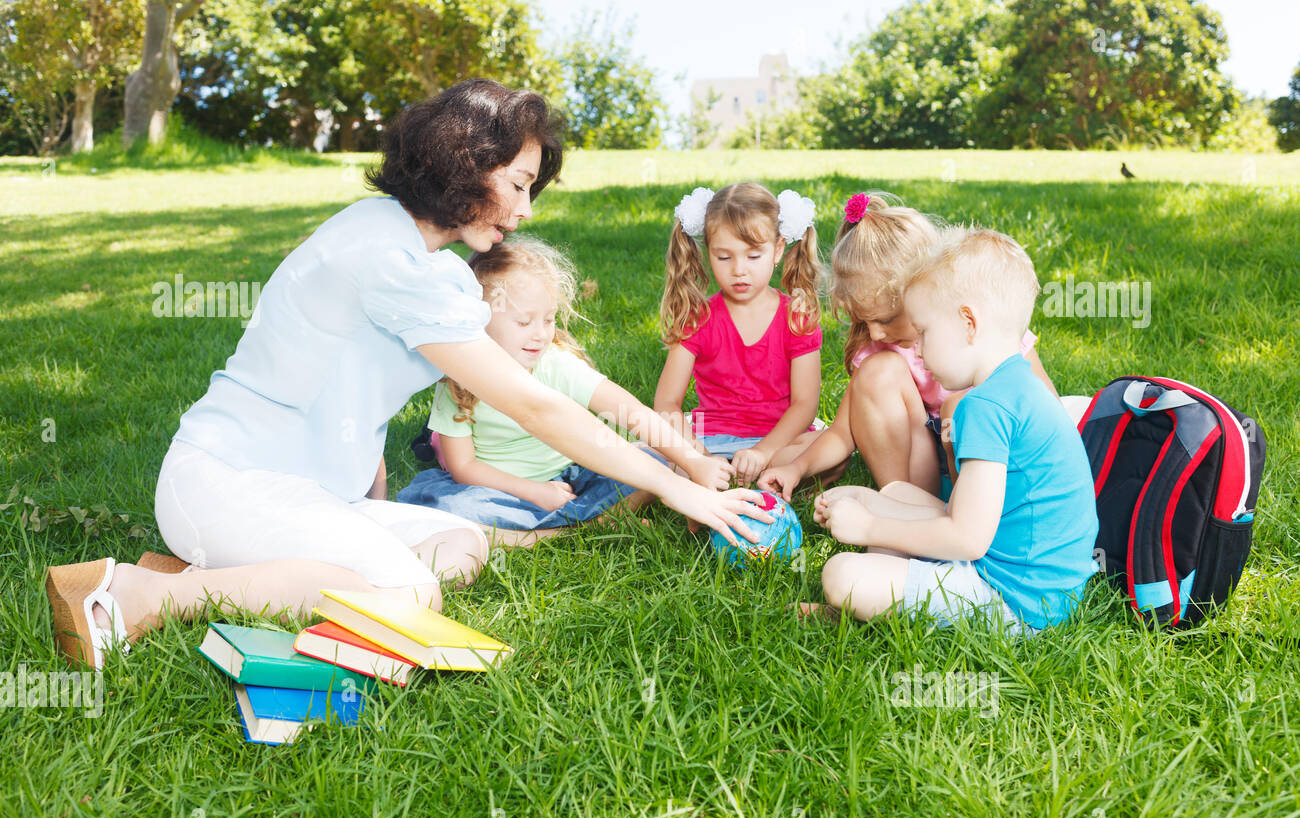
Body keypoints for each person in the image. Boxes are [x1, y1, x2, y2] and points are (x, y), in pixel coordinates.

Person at [45, 79, 770, 670]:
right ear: (463, 160)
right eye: (516, 184)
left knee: (464, 545)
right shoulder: (388, 258)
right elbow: (533, 406)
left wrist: (362, 504)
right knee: (408, 590)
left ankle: (208, 572)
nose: (523, 212)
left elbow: (361, 393)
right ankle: (142, 595)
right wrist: (678, 486)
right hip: (225, 480)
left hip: (295, 492)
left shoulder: (429, 265)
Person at [807, 227, 1098, 632]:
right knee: (890, 492)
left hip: (1012, 601)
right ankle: (880, 579)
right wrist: (871, 504)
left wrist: (869, 527)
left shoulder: (984, 408)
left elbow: (967, 540)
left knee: (840, 574)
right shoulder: (1016, 385)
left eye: (924, 332)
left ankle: (864, 603)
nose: (919, 350)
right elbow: (970, 511)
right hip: (1036, 581)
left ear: (967, 324)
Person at [398, 236, 732, 547]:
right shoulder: (459, 380)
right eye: (524, 322)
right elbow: (464, 467)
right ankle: (567, 532)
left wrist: (692, 462)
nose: (540, 334)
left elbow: (631, 412)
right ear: (479, 318)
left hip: (571, 483)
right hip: (498, 490)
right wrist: (534, 491)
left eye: (548, 319)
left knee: (654, 460)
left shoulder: (555, 363)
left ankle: (580, 522)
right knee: (448, 511)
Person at [760, 193, 1057, 502]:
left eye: (886, 319)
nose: (875, 332)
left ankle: (963, 518)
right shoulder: (880, 349)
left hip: (992, 474)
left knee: (958, 408)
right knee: (873, 376)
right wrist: (797, 468)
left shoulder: (987, 332)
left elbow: (1046, 409)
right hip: (928, 476)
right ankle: (901, 503)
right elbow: (841, 433)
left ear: (923, 294)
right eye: (865, 320)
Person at [653, 182, 832, 490]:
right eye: (724, 257)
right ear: (708, 252)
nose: (739, 270)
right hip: (711, 441)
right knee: (657, 446)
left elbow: (805, 404)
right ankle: (722, 480)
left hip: (779, 442)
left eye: (753, 256)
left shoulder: (797, 317)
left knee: (832, 447)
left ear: (777, 250)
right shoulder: (697, 318)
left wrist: (763, 451)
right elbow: (667, 403)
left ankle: (760, 477)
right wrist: (701, 460)